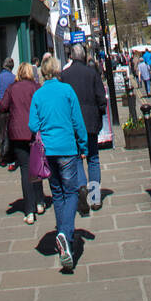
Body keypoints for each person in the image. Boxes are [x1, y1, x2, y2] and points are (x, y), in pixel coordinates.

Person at [29, 54, 88, 273]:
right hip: (67, 150)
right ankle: (65, 234)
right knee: (71, 192)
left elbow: (33, 124)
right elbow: (78, 122)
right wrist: (83, 145)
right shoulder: (66, 91)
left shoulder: (38, 94)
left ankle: (63, 237)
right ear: (57, 71)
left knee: (58, 194)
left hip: (48, 153)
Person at [62, 42, 107, 212]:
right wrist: (100, 113)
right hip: (90, 122)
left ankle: (81, 187)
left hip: (72, 124)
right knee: (93, 158)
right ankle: (95, 198)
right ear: (83, 56)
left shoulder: (64, 76)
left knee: (77, 158)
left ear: (72, 56)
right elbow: (101, 98)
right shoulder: (92, 73)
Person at [0, 63, 46, 224]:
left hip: (18, 134)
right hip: (34, 132)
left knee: (25, 170)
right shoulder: (36, 87)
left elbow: (2, 106)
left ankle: (29, 210)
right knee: (37, 167)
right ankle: (40, 201)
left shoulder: (12, 88)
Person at [0, 57, 16, 167]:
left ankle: (2, 158)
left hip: (1, 109)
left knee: (2, 134)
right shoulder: (14, 78)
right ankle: (11, 156)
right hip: (11, 108)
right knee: (11, 133)